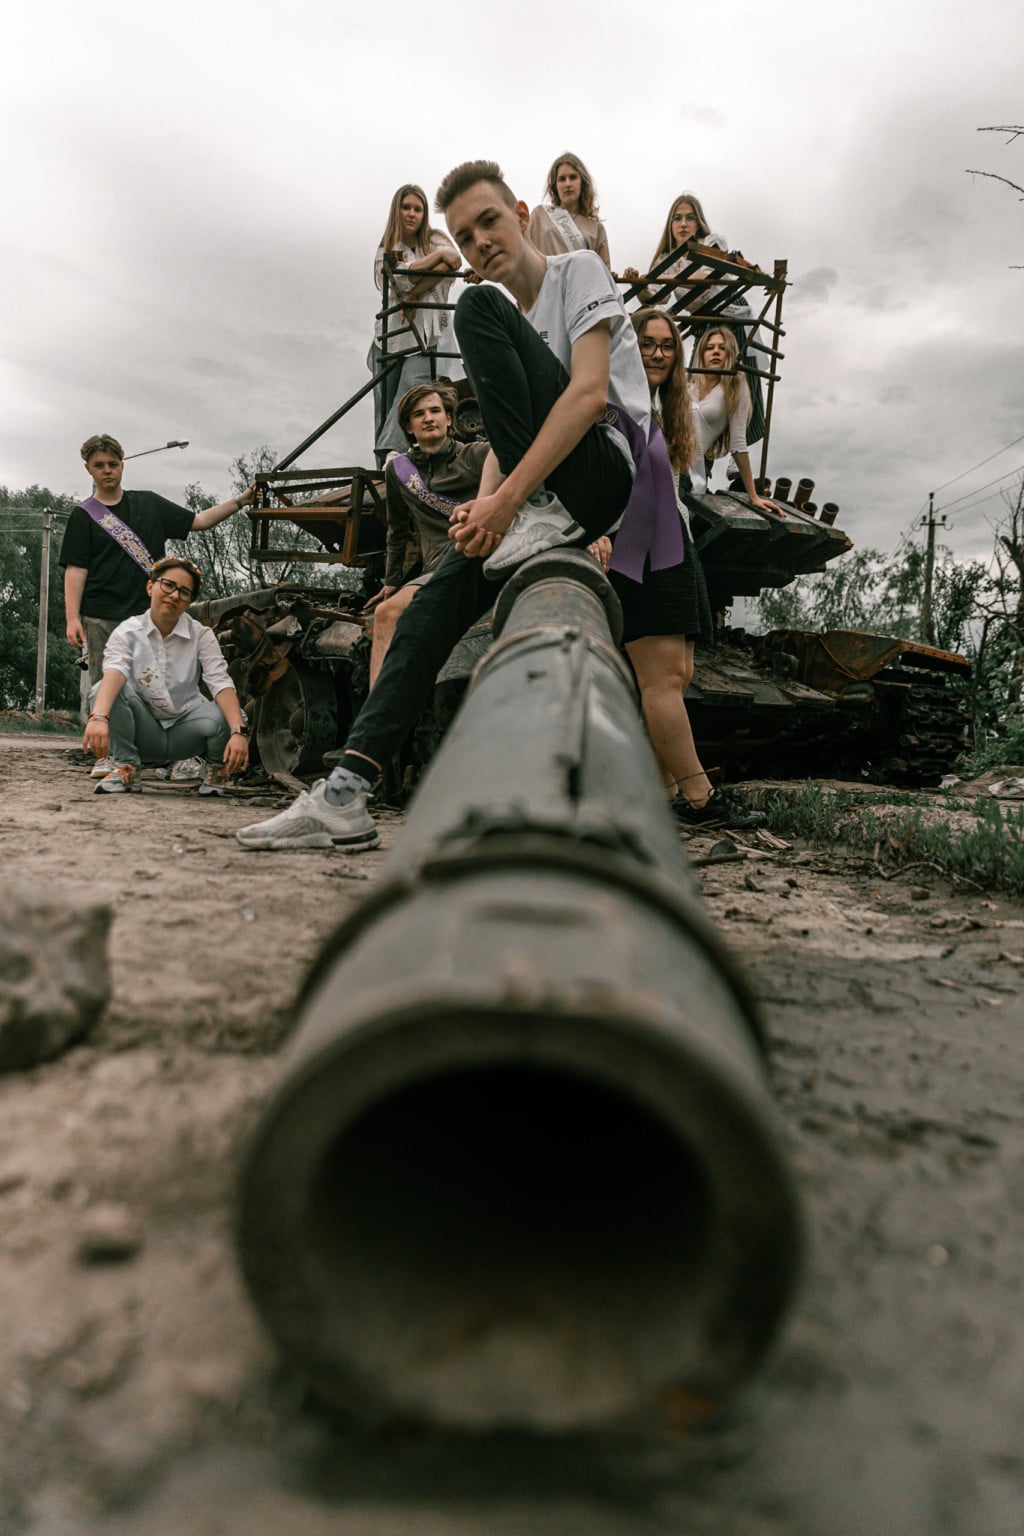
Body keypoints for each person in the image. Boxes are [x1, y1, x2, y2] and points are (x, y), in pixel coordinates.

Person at [238, 157, 675, 852]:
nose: (480, 244)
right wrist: (484, 508)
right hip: (541, 501)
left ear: (522, 217)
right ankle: (346, 796)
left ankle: (523, 523)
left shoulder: (578, 273)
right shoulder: (512, 322)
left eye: (489, 222)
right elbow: (509, 429)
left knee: (474, 304)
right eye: (465, 238)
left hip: (601, 474)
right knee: (424, 610)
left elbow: (589, 394)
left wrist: (510, 501)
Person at [621, 310, 763, 829]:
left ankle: (654, 796)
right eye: (646, 343)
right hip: (638, 541)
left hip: (673, 534)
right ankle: (700, 797)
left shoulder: (667, 407)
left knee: (677, 676)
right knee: (660, 678)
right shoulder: (619, 402)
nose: (657, 353)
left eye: (666, 345)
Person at [60, 433, 255, 776]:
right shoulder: (84, 516)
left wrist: (241, 500)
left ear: (123, 464)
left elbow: (198, 522)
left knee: (176, 681)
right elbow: (77, 569)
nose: (107, 471)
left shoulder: (149, 504)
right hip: (101, 614)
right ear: (88, 469)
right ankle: (113, 756)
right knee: (107, 685)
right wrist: (72, 617)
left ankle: (182, 750)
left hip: (153, 613)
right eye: (99, 466)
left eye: (113, 464)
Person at [82, 556, 250, 796]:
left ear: (189, 600)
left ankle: (216, 772)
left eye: (184, 592)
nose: (174, 595)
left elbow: (219, 681)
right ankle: (126, 767)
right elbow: (115, 672)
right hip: (141, 731)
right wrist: (98, 717)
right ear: (151, 586)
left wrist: (238, 732)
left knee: (233, 711)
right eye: (168, 585)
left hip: (188, 732)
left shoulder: (201, 635)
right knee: (101, 691)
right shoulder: (128, 632)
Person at [365, 381, 489, 687]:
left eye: (436, 411)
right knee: (385, 614)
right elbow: (397, 529)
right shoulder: (399, 472)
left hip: (484, 556)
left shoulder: (477, 455)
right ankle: (378, 720)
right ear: (409, 426)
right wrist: (392, 581)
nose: (428, 418)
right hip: (438, 569)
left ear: (449, 418)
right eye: (419, 414)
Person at [622, 192, 765, 446]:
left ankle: (739, 445)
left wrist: (661, 278)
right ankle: (696, 452)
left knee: (738, 378)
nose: (683, 224)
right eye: (677, 219)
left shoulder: (712, 242)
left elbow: (705, 276)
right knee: (699, 385)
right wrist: (639, 283)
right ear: (671, 224)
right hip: (704, 322)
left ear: (699, 222)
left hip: (729, 313)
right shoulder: (666, 259)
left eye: (690, 218)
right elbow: (655, 297)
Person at [369, 185, 462, 463]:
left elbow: (453, 261)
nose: (411, 214)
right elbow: (400, 276)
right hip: (391, 337)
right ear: (397, 210)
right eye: (406, 207)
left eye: (417, 209)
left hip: (425, 334)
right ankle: (381, 469)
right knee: (384, 406)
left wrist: (415, 291)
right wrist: (433, 260)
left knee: (412, 389)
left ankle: (394, 454)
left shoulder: (435, 237)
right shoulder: (388, 247)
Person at [689, 327, 776, 512]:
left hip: (686, 473)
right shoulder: (688, 387)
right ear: (702, 353)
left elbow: (738, 444)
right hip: (656, 458)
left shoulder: (735, 390)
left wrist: (753, 495)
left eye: (722, 348)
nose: (716, 352)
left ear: (730, 354)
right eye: (709, 347)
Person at [526, 152, 611, 268]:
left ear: (582, 182)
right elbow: (523, 255)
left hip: (580, 286)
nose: (568, 184)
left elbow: (604, 276)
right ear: (555, 185)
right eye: (562, 179)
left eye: (573, 177)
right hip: (545, 284)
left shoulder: (596, 228)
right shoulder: (540, 215)